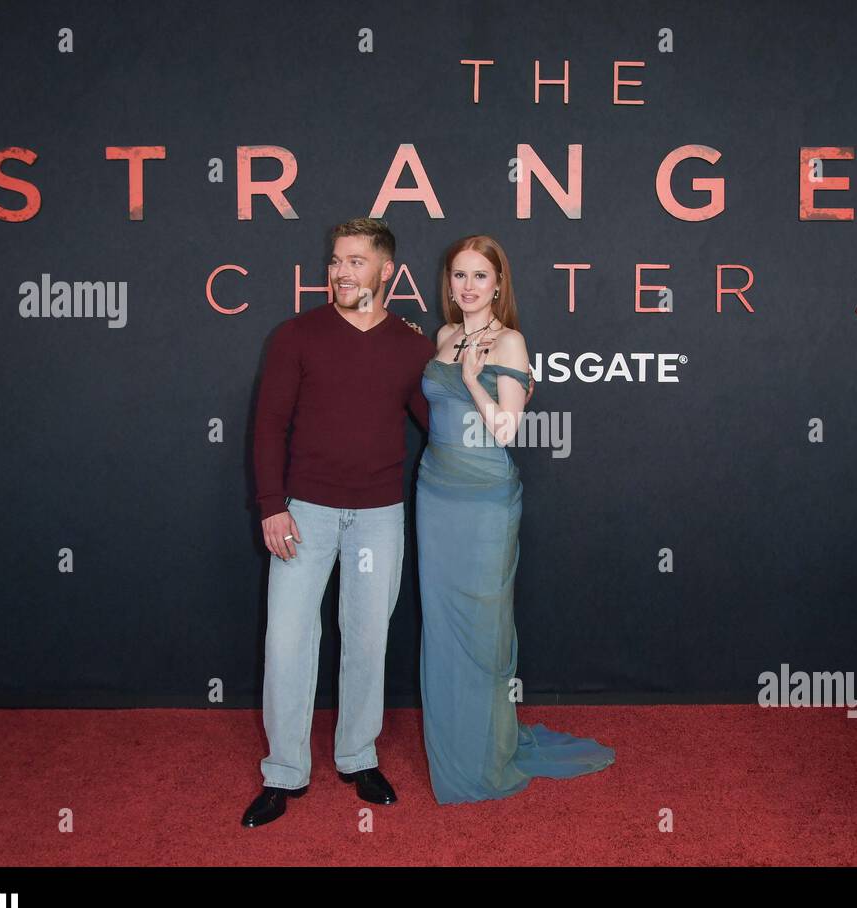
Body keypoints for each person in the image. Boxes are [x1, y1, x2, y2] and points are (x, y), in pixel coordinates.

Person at [242, 217, 436, 828]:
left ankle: (357, 756)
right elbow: (269, 425)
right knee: (287, 642)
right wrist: (272, 505)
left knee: (367, 640)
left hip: (379, 516)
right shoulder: (296, 335)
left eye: (355, 261)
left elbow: (442, 422)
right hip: (305, 513)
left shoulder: (411, 345)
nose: (342, 272)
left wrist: (503, 393)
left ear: (385, 271)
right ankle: (285, 771)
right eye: (335, 261)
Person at [417, 235, 616, 804]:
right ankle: (452, 743)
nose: (468, 286)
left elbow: (506, 431)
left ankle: (486, 751)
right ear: (448, 281)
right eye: (459, 275)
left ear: (499, 284)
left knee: (484, 628)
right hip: (435, 493)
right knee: (443, 624)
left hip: (484, 502)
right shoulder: (444, 336)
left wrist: (478, 383)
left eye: (481, 276)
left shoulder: (509, 341)